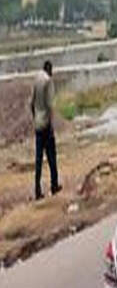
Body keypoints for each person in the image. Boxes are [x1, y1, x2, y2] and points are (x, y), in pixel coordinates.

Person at [30, 61, 61, 200]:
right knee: (51, 156)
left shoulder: (36, 78)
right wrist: (50, 125)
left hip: (37, 124)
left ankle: (37, 189)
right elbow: (49, 105)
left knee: (38, 159)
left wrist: (35, 118)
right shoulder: (48, 81)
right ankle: (54, 185)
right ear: (49, 69)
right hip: (46, 125)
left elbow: (31, 103)